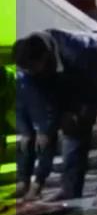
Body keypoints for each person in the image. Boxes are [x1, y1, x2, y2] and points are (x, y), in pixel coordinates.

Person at [12, 30, 97, 200]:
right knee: (72, 132)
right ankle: (70, 189)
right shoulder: (34, 68)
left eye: (36, 67)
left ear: (45, 56)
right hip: (76, 91)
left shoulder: (79, 51)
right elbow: (47, 96)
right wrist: (57, 120)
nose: (34, 72)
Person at [14, 69, 56, 201]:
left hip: (46, 110)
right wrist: (24, 131)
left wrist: (44, 130)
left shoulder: (45, 78)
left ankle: (38, 183)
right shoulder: (19, 79)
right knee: (24, 143)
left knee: (44, 143)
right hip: (25, 107)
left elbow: (50, 106)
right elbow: (19, 107)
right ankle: (23, 181)